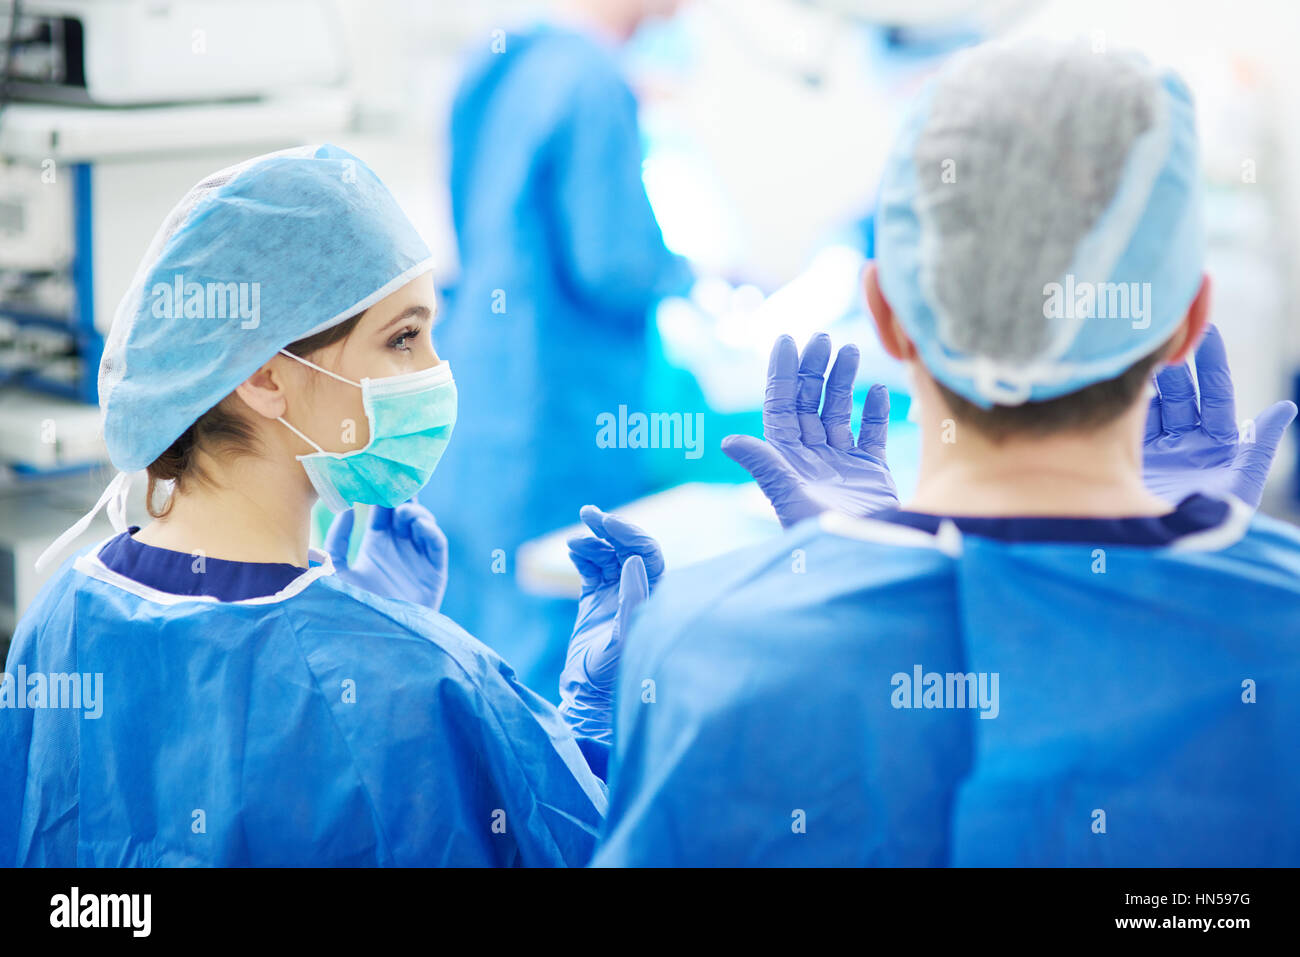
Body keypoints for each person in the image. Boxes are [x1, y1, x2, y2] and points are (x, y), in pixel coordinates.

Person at [592, 39, 1300, 866]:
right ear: (1187, 324)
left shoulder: (712, 652)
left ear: (886, 315)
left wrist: (818, 583)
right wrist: (1226, 583)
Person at [0, 144, 659, 867]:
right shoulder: (424, 686)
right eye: (402, 338)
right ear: (263, 377)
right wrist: (594, 732)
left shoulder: (57, 621)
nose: (437, 371)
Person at [424, 0, 693, 696]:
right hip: (555, 419)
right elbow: (615, 263)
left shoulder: (497, 57)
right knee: (554, 665)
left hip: (477, 404)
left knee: (473, 668)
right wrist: (690, 274)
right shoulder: (594, 79)